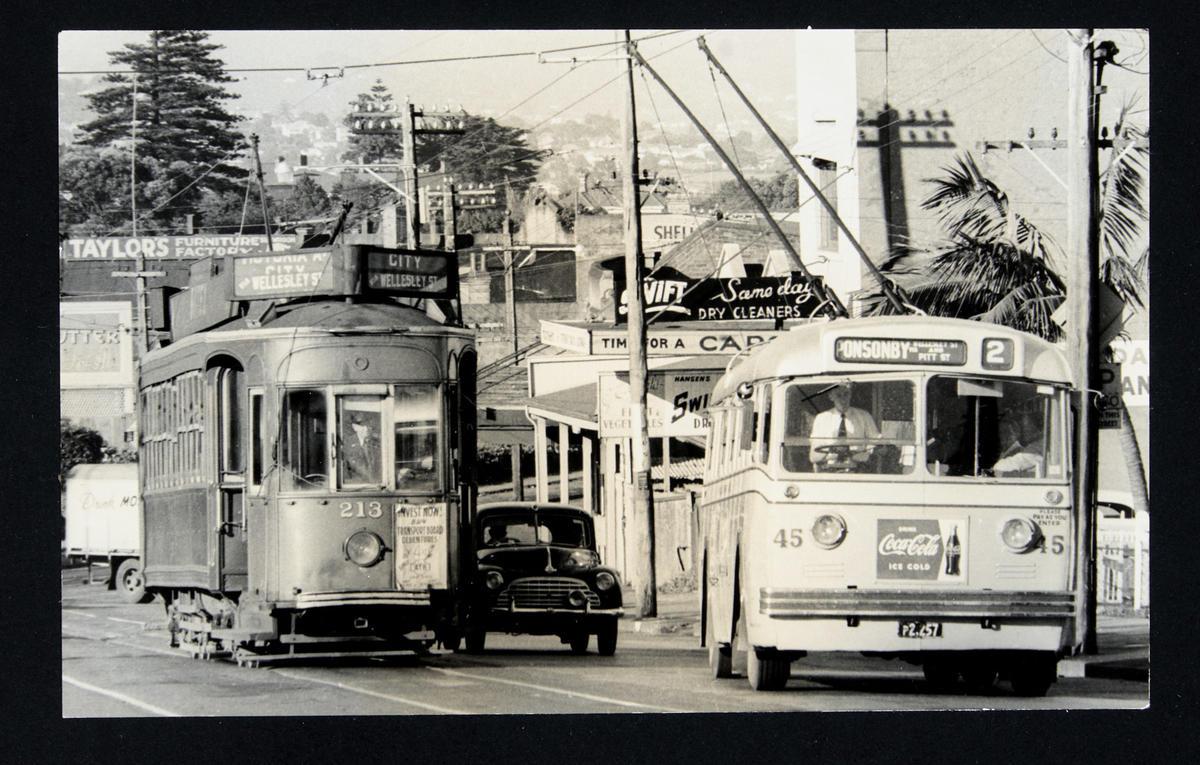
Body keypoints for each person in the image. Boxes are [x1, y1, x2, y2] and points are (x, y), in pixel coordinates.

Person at [809, 383, 879, 470]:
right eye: (838, 395)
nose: (843, 399)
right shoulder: (822, 418)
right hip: (829, 468)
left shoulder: (864, 416)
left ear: (850, 394)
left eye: (846, 394)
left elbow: (875, 442)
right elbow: (814, 453)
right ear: (831, 397)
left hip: (857, 468)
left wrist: (864, 455)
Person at [991, 412, 1044, 476]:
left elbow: (1000, 467)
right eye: (1001, 432)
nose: (1002, 437)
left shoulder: (1036, 447)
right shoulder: (1013, 447)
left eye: (1005, 431)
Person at [341, 413, 380, 483]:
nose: (368, 429)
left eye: (369, 427)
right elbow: (350, 467)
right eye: (364, 426)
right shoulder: (348, 443)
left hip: (373, 483)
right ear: (355, 427)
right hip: (355, 484)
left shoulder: (373, 442)